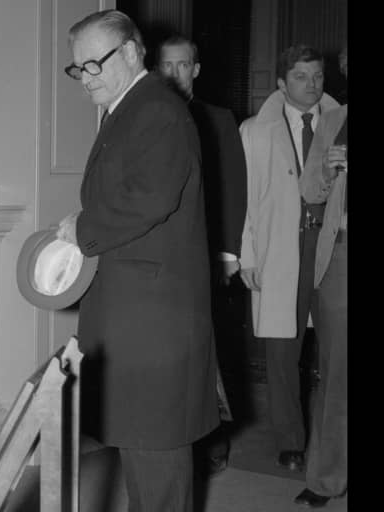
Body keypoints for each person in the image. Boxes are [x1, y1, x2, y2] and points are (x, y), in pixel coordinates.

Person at [56, 10, 218, 511]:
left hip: (154, 328)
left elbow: (149, 198)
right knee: (142, 462)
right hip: (135, 319)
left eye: (94, 64)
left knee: (158, 468)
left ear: (131, 52)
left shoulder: (156, 111)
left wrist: (81, 228)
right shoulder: (129, 109)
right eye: (78, 69)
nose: (86, 79)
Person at [238, 44, 339, 473]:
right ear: (281, 82)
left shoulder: (342, 122)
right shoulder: (254, 131)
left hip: (333, 248)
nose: (312, 85)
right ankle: (291, 440)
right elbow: (246, 198)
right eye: (300, 76)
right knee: (282, 351)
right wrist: (247, 256)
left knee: (336, 353)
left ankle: (333, 447)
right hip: (280, 247)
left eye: (317, 76)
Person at [157, 34, 248, 475]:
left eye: (182, 65)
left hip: (207, 255)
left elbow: (233, 186)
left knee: (211, 350)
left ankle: (212, 439)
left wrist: (228, 253)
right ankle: (173, 438)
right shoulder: (147, 117)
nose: (174, 73)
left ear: (195, 69)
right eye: (167, 65)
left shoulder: (218, 119)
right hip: (161, 260)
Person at [294, 46, 347, 509]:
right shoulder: (333, 119)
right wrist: (327, 171)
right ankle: (326, 478)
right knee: (334, 373)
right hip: (342, 260)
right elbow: (309, 189)